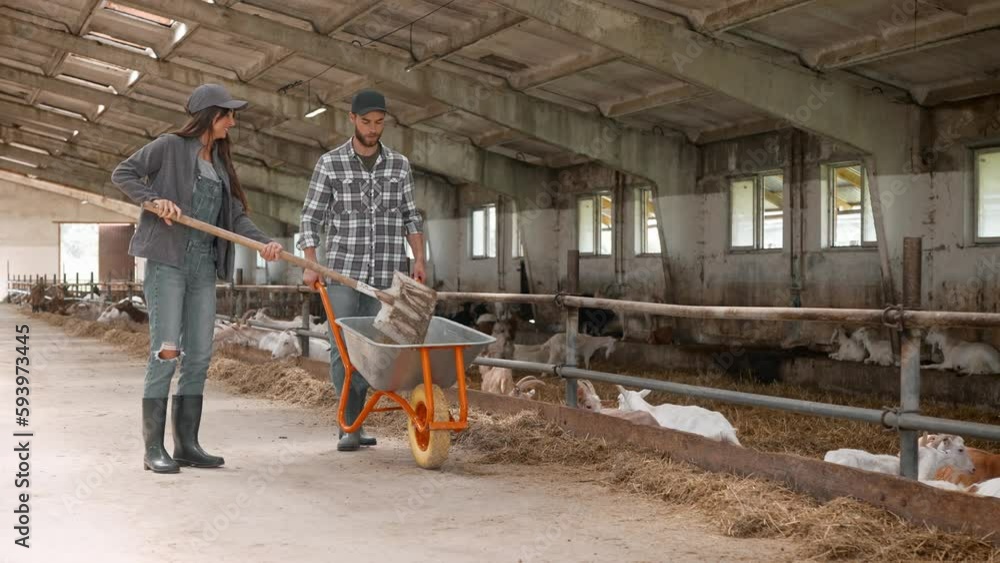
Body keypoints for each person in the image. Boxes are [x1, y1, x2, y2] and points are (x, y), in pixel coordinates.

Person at [112, 84, 283, 474]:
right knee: (167, 351)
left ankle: (187, 444)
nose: (233, 122)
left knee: (200, 355)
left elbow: (235, 219)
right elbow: (124, 172)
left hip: (204, 267)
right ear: (210, 115)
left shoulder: (220, 164)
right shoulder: (170, 146)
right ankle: (153, 449)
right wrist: (155, 201)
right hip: (168, 262)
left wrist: (265, 244)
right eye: (228, 115)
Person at [298, 89, 425, 452]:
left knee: (372, 350)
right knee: (343, 350)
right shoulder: (330, 163)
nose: (373, 129)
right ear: (352, 119)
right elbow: (311, 216)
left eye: (379, 122)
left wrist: (418, 259)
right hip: (341, 273)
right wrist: (310, 262)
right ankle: (348, 426)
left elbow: (411, 216)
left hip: (384, 276)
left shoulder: (398, 165)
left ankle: (357, 419)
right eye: (367, 122)